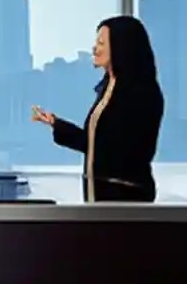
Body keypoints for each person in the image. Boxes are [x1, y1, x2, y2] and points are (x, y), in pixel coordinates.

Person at [32, 15, 164, 202]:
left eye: (101, 43)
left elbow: (128, 148)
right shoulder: (107, 89)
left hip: (125, 194)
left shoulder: (142, 92)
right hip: (99, 190)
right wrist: (56, 123)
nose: (95, 48)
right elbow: (94, 143)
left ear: (121, 47)